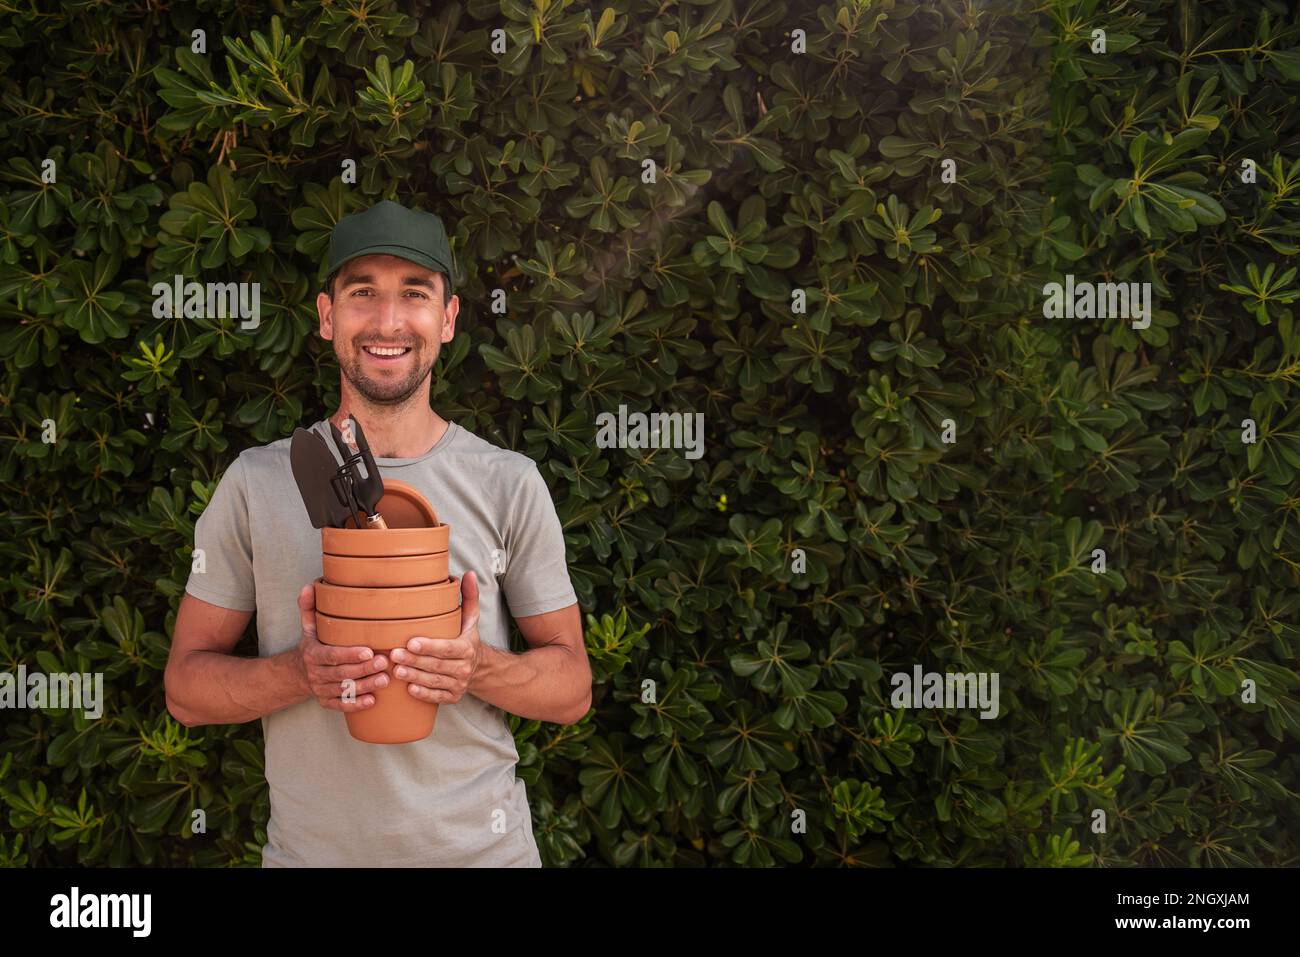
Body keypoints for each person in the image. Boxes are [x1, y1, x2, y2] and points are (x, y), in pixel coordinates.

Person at [164, 199, 591, 867]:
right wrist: (298, 674)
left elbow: (572, 688)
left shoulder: (509, 481)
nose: (388, 321)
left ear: (447, 319)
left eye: (414, 294)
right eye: (363, 293)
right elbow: (185, 690)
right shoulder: (255, 483)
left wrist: (476, 664)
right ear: (327, 315)